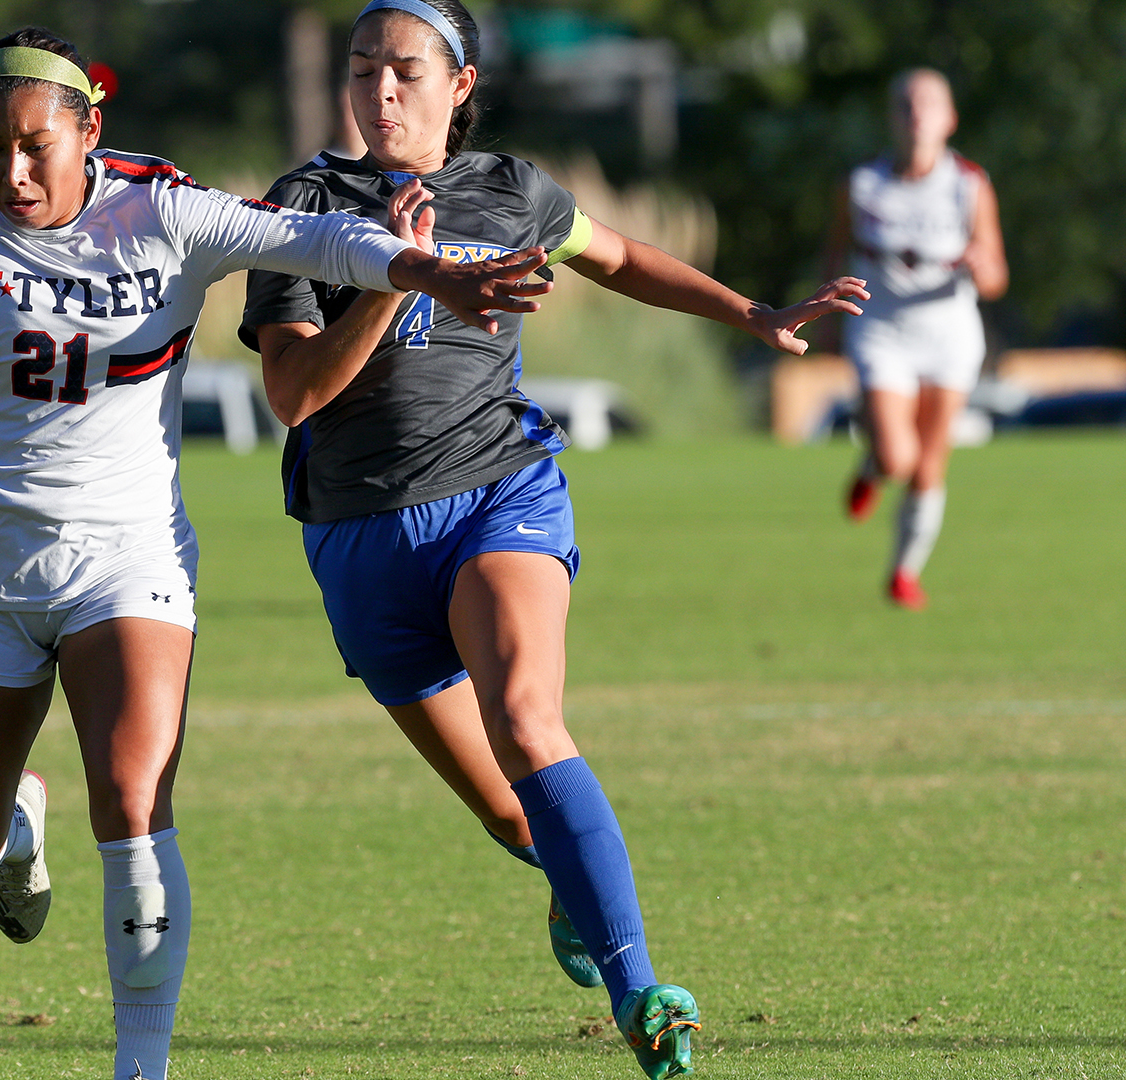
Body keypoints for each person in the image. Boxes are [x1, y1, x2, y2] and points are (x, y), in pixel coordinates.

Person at [0, 26, 556, 1080]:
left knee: (132, 804)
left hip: (128, 559)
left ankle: (140, 1065)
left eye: (35, 146)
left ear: (90, 131)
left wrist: (426, 269)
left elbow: (319, 244)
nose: (14, 173)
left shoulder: (164, 209)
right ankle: (18, 822)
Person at [237, 2, 868, 1076]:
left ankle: (642, 993)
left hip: (499, 493)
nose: (379, 90)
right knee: (512, 818)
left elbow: (618, 257)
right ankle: (563, 879)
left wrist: (751, 313)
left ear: (460, 87)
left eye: (404, 71)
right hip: (357, 537)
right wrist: (401, 276)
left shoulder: (512, 191)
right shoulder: (303, 207)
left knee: (529, 727)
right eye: (362, 68)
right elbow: (294, 395)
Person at [824, 68, 1007, 610]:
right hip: (882, 330)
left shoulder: (970, 184)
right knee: (896, 456)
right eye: (906, 102)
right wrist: (825, 317)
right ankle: (873, 466)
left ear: (950, 119)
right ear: (891, 117)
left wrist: (982, 266)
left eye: (928, 103)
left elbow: (997, 276)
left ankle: (904, 572)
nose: (916, 112)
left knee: (930, 463)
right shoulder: (861, 182)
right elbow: (833, 254)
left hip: (950, 334)